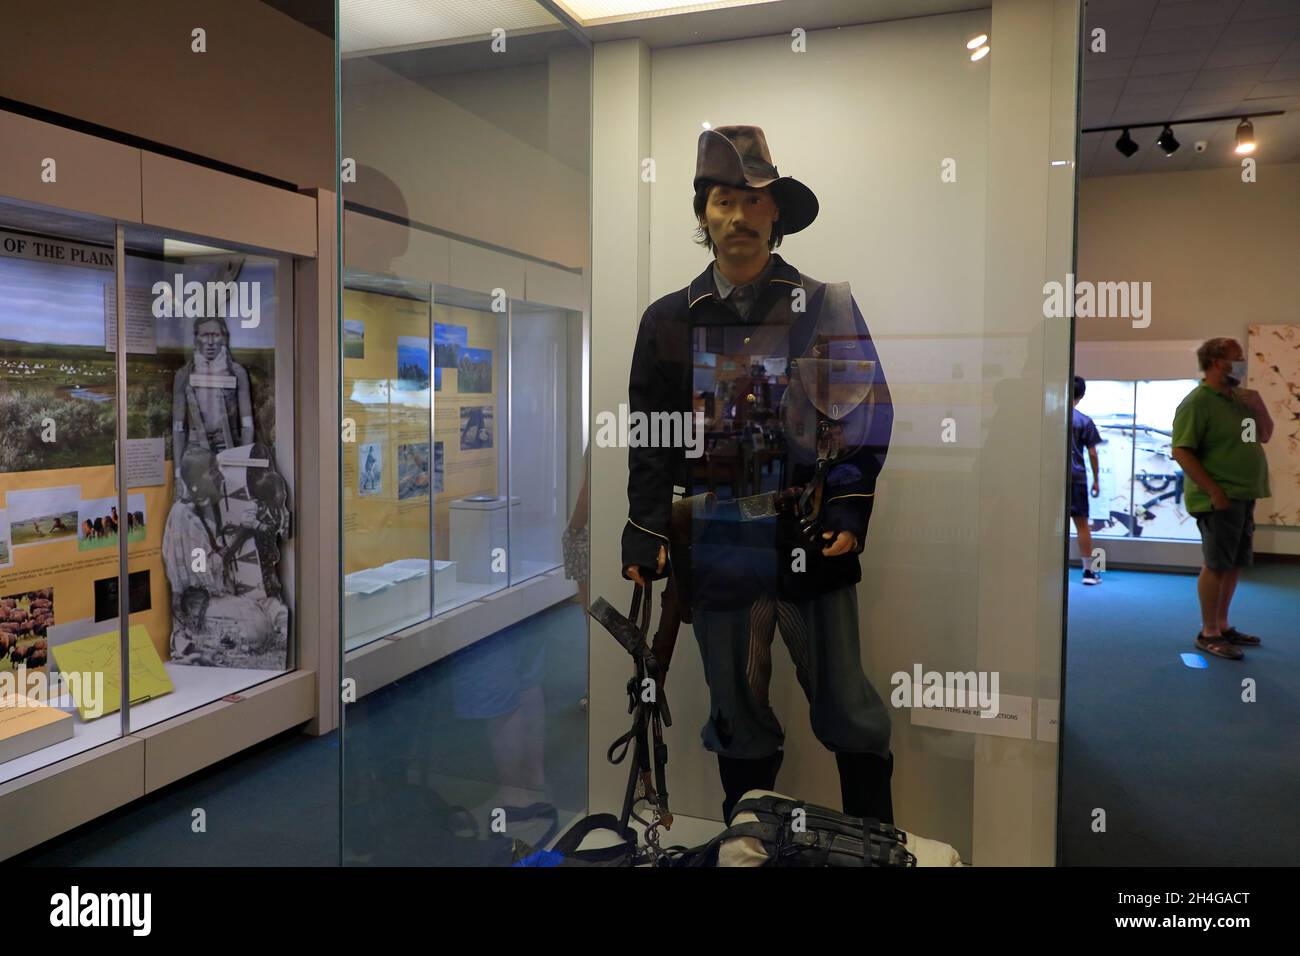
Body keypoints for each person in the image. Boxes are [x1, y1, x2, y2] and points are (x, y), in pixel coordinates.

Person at [623, 125, 895, 823]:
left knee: (846, 701)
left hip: (808, 528)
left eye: (752, 200)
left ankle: (873, 843)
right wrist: (645, 529)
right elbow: (650, 438)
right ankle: (749, 845)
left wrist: (848, 509)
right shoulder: (665, 321)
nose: (738, 217)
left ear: (776, 212)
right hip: (716, 536)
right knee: (735, 706)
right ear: (702, 214)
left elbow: (865, 414)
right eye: (721, 200)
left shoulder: (825, 305)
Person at [1171, 337, 1273, 661]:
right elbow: (1181, 451)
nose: (1242, 363)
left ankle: (1223, 624)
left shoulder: (1239, 400)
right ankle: (1208, 632)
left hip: (1244, 493)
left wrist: (1257, 404)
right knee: (1216, 564)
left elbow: (1264, 435)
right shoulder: (1197, 402)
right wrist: (1214, 490)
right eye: (1237, 358)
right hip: (1219, 498)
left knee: (1232, 564)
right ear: (1217, 362)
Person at [172, 315, 255, 473]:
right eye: (205, 335)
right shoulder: (184, 375)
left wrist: (244, 464)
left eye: (215, 335)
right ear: (196, 339)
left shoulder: (237, 373)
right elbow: (178, 427)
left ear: (223, 337)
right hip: (195, 449)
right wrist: (177, 472)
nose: (210, 342)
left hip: (228, 447)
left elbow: (247, 424)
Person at [1070, 376, 1103, 584]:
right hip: (1077, 477)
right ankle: (1088, 573)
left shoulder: (1050, 418)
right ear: (1081, 396)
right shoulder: (1084, 420)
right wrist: (1096, 479)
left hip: (1050, 478)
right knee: (1082, 524)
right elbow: (1092, 454)